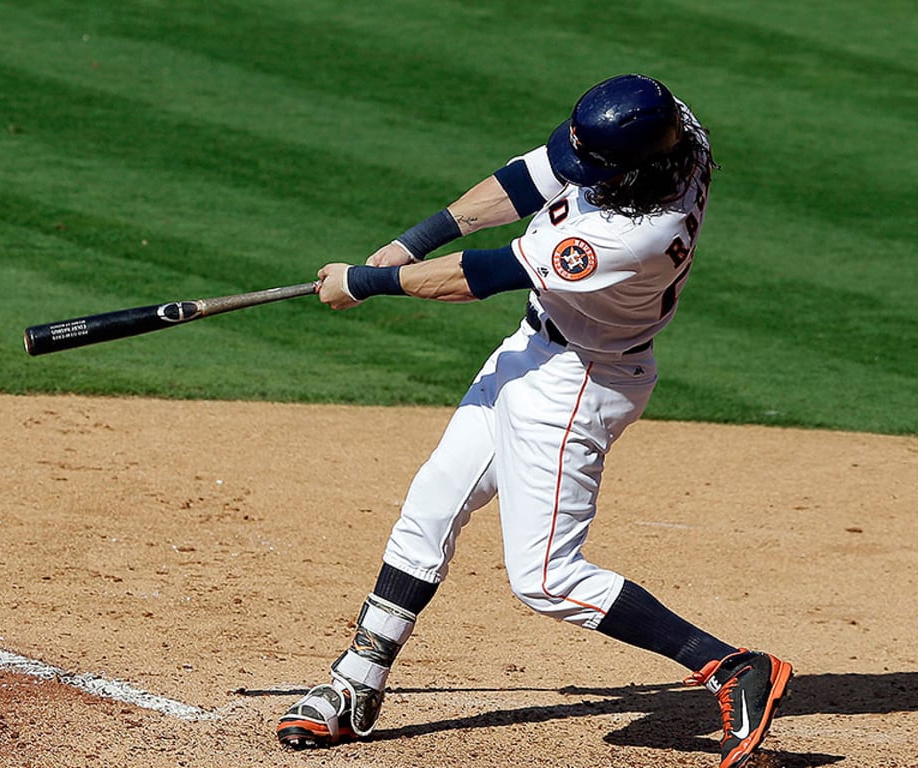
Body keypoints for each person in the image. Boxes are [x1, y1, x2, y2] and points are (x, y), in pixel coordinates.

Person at [276, 74, 791, 768]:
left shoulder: (627, 238)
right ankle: (355, 682)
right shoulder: (668, 132)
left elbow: (479, 277)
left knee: (546, 579)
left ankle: (732, 667)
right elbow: (531, 178)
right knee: (432, 504)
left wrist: (365, 283)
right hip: (534, 351)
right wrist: (410, 243)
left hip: (576, 384)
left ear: (629, 171)